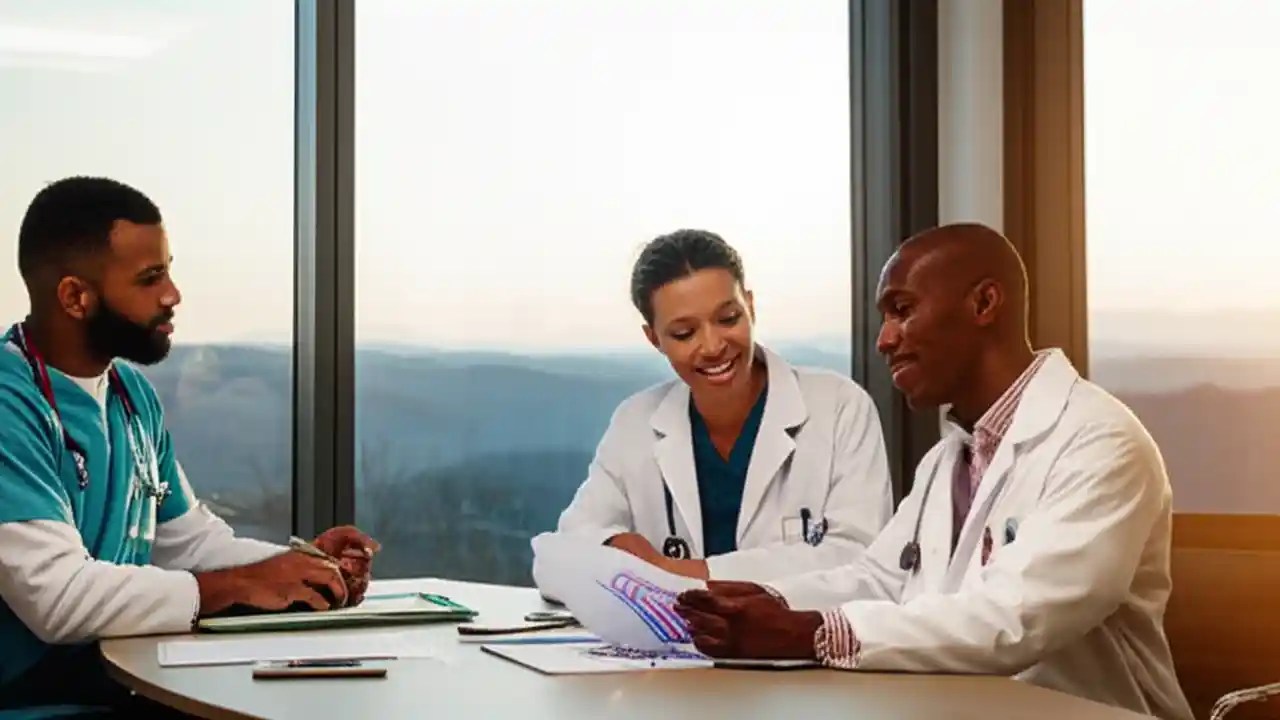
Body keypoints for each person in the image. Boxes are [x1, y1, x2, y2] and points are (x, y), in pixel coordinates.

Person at [674, 223, 1193, 720]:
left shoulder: (1099, 442)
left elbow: (1016, 618)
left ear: (984, 304)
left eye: (901, 310)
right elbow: (879, 578)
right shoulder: (950, 458)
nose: (884, 340)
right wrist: (768, 601)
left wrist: (808, 631)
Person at [0, 177, 381, 717]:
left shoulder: (132, 399)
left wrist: (303, 566)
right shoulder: (9, 404)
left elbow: (193, 545)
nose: (172, 294)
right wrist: (243, 583)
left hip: (120, 691)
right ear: (74, 296)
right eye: (150, 278)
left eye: (168, 270)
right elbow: (58, 599)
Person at [533, 229, 892, 590]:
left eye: (728, 318)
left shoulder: (839, 407)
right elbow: (560, 556)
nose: (712, 345)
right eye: (684, 333)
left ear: (750, 305)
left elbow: (862, 560)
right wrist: (610, 548)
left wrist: (679, 574)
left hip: (797, 645)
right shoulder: (635, 423)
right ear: (654, 338)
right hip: (668, 645)